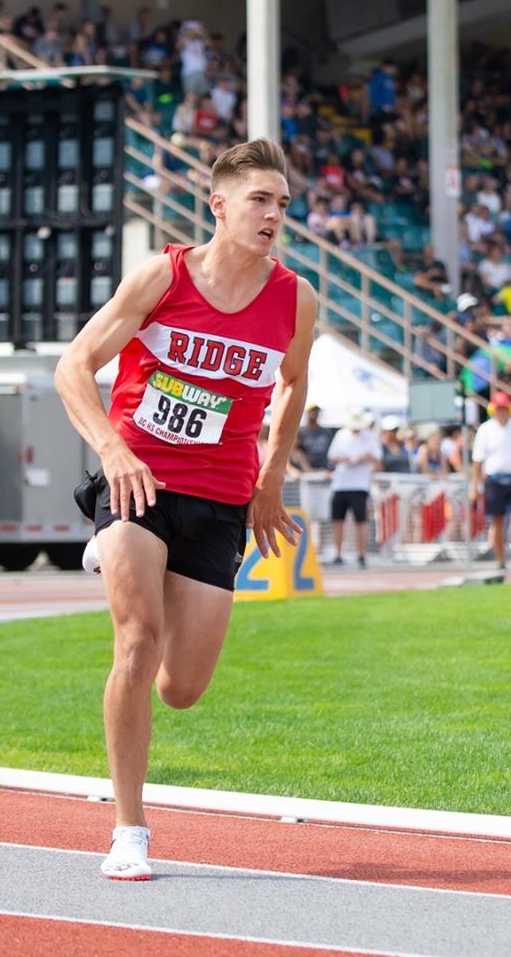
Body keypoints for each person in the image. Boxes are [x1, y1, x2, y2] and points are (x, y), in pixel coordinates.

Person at [54, 138, 317, 881]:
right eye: (260, 200)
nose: (273, 214)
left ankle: (135, 559)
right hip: (139, 479)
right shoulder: (163, 277)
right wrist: (111, 451)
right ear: (220, 204)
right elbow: (74, 365)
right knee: (137, 643)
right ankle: (129, 829)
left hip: (222, 493)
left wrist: (271, 480)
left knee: (183, 687)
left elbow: (293, 385)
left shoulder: (294, 298)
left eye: (284, 204)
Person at [471, 392, 511, 573]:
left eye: (504, 408)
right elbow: (477, 461)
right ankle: (501, 560)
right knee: (497, 521)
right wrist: (474, 487)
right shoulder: (485, 429)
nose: (502, 412)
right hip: (494, 480)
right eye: (499, 409)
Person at [325, 412, 382, 566]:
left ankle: (362, 555)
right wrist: (348, 459)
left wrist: (363, 458)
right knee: (338, 520)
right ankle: (338, 554)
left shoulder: (370, 437)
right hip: (340, 484)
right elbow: (332, 457)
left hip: (360, 485)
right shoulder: (341, 435)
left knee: (361, 521)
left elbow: (377, 459)